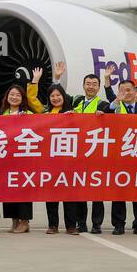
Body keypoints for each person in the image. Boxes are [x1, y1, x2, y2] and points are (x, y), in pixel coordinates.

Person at [37, 84, 86, 235]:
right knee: (51, 194)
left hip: (69, 160)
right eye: (52, 96)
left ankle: (71, 226)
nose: (55, 98)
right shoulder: (45, 113)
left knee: (69, 194)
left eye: (58, 95)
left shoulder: (72, 111)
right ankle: (53, 225)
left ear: (63, 96)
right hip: (50, 160)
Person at [72, 72, 112, 234]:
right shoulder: (76, 101)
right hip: (78, 153)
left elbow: (113, 107)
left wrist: (107, 81)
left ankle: (96, 224)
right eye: (88, 83)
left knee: (97, 192)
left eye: (94, 84)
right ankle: (81, 223)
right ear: (83, 86)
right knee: (80, 192)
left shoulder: (102, 104)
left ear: (98, 87)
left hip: (96, 153)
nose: (90, 87)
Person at [109, 79, 137, 236]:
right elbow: (104, 112)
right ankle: (118, 224)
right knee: (119, 192)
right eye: (122, 90)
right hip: (119, 156)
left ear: (135, 91)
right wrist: (115, 101)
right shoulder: (115, 108)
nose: (126, 93)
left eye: (129, 90)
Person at [0, 83, 33, 233]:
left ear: (22, 98)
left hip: (24, 159)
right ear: (7, 97)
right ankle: (14, 220)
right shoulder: (1, 114)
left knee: (24, 190)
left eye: (18, 95)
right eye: (12, 94)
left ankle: (25, 221)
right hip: (7, 159)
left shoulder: (28, 114)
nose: (14, 97)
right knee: (9, 190)